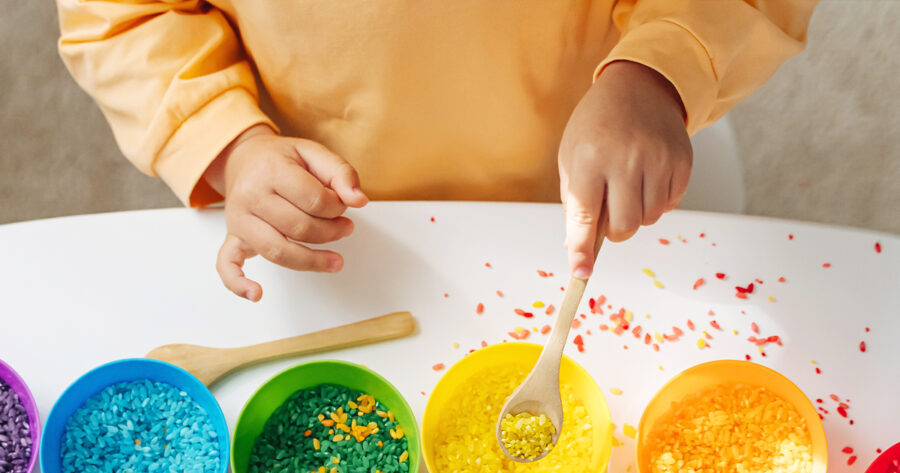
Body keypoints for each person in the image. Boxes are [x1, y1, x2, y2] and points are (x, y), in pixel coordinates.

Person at [57, 1, 817, 301]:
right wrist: (228, 143)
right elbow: (123, 19)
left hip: (613, 152)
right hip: (322, 201)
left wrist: (658, 70)